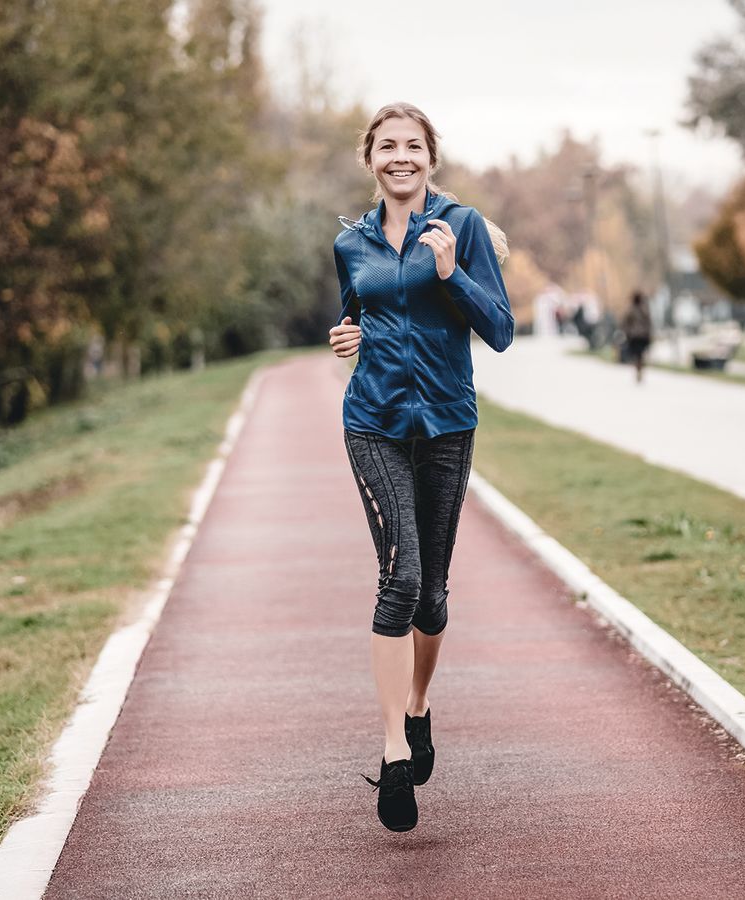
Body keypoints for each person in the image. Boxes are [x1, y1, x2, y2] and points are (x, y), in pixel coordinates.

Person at [327, 102, 513, 833]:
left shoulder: (461, 228)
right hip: (372, 421)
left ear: (430, 158)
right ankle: (393, 749)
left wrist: (451, 274)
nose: (399, 157)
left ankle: (419, 702)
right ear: (370, 158)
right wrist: (344, 337)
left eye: (413, 146)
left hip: (445, 425)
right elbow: (355, 315)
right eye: (386, 146)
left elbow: (499, 330)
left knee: (433, 594)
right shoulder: (351, 242)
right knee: (398, 578)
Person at [622, 291, 653, 383]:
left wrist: (627, 332)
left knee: (636, 355)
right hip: (642, 336)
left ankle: (638, 368)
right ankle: (639, 368)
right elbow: (649, 323)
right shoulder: (644, 309)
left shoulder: (631, 310)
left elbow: (625, 323)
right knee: (640, 354)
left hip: (634, 336)